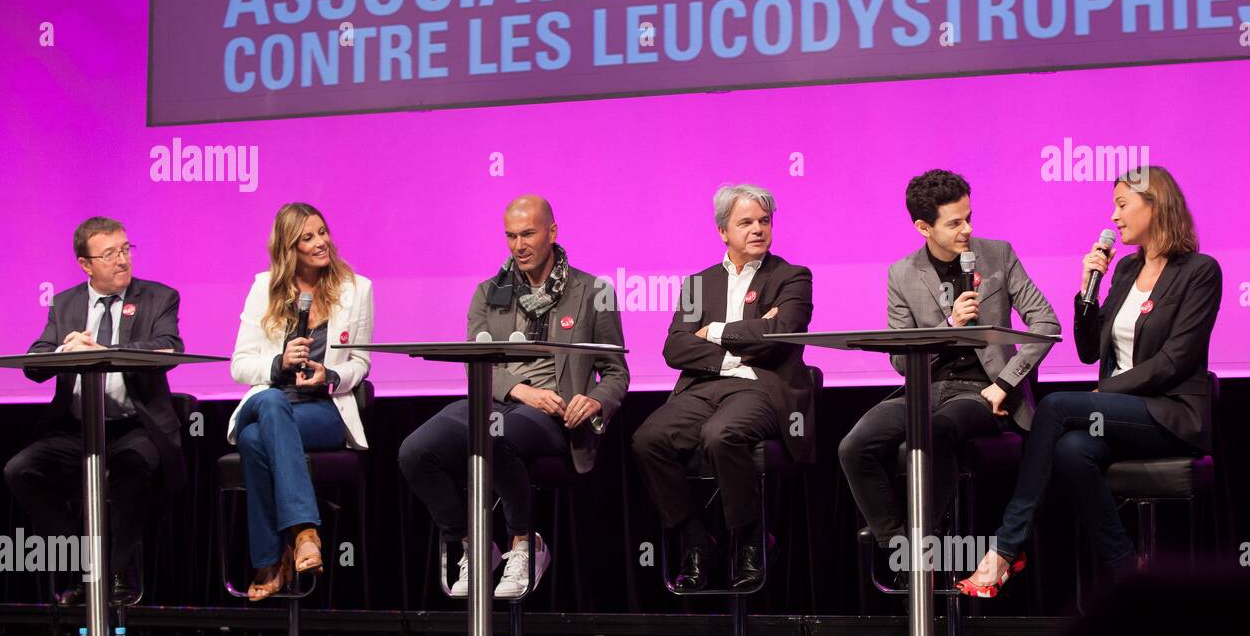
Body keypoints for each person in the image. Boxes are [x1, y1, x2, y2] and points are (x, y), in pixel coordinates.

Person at [958, 166, 1222, 595]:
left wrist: (1108, 390)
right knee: (1071, 451)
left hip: (1170, 413)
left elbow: (1176, 360)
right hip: (1122, 415)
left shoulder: (1200, 271)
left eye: (1122, 205)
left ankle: (1005, 548)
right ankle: (1128, 570)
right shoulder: (1125, 271)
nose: (1113, 217)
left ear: (1155, 205)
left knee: (1056, 406)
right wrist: (1087, 292)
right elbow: (1088, 351)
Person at [399, 195, 628, 598]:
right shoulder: (489, 293)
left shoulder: (594, 291)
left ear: (552, 233)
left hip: (552, 414)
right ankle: (473, 543)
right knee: (414, 451)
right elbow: (474, 364)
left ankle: (524, 545)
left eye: (528, 234)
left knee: (495, 435)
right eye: (510, 236)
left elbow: (615, 372)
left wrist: (594, 401)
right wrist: (521, 391)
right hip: (494, 401)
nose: (518, 245)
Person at [838, 169, 1058, 577]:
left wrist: (1005, 383)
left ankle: (926, 537)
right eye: (955, 223)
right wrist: (950, 327)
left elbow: (1046, 324)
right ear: (924, 228)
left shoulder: (998, 255)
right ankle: (901, 549)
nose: (967, 230)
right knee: (854, 447)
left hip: (983, 391)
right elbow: (900, 361)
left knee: (936, 430)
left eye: (969, 218)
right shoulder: (902, 273)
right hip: (925, 388)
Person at [632, 184, 814, 592]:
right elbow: (675, 347)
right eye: (745, 222)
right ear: (722, 232)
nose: (758, 229)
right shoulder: (700, 283)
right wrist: (742, 345)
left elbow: (782, 332)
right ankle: (696, 541)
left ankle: (751, 540)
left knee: (722, 435)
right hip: (704, 386)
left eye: (764, 221)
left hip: (760, 388)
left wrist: (713, 331)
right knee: (648, 440)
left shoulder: (792, 277)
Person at [3, 216, 184, 605]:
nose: (122, 260)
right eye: (110, 254)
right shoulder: (65, 303)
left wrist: (104, 352)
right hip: (77, 429)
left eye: (125, 249)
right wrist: (65, 350)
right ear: (85, 264)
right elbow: (35, 362)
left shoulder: (159, 297)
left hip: (136, 426)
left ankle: (119, 570)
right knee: (19, 470)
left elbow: (169, 347)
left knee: (133, 465)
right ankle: (82, 560)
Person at [227, 203, 373, 601]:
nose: (321, 242)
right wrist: (279, 363)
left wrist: (332, 375)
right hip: (267, 399)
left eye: (322, 232)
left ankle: (269, 562)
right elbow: (239, 365)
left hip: (322, 409)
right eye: (308, 237)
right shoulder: (264, 288)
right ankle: (305, 531)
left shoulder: (357, 289)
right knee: (272, 403)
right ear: (289, 248)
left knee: (255, 440)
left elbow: (361, 362)